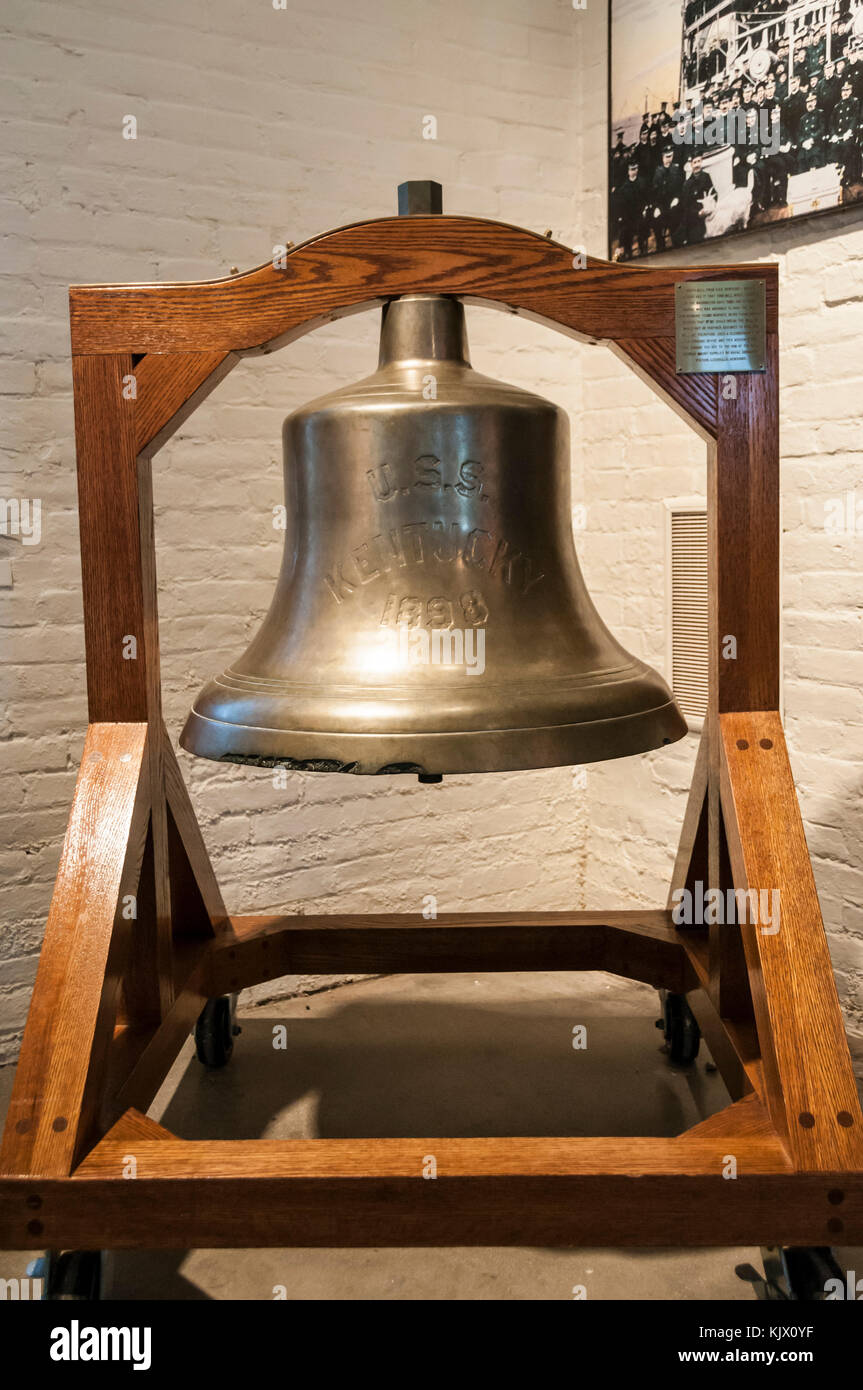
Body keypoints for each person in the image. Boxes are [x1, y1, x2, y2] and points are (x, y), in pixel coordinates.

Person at [613, 160, 650, 259]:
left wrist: (645, 208)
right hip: (629, 217)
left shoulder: (643, 182)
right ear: (628, 171)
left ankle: (643, 251)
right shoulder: (624, 188)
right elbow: (622, 206)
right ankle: (628, 253)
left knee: (642, 228)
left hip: (641, 214)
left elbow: (647, 198)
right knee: (625, 231)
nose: (634, 171)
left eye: (636, 169)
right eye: (632, 169)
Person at [830, 78, 862, 188]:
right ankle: (836, 179)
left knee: (848, 149)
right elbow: (832, 123)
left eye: (847, 90)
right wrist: (833, 134)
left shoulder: (855, 102)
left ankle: (847, 178)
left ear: (851, 91)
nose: (845, 93)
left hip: (851, 134)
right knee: (833, 151)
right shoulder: (837, 106)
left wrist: (849, 131)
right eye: (843, 90)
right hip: (839, 136)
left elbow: (855, 118)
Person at [651, 145, 685, 249]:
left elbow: (680, 188)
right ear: (662, 157)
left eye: (670, 156)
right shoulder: (658, 172)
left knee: (675, 216)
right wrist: (656, 207)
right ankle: (661, 247)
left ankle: (677, 243)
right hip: (661, 205)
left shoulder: (676, 170)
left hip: (673, 202)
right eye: (666, 157)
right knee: (656, 220)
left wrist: (677, 198)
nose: (668, 159)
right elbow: (654, 193)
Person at [683, 152, 716, 243]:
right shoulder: (687, 184)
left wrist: (711, 205)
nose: (697, 165)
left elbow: (714, 194)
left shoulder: (706, 177)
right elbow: (686, 206)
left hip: (709, 214)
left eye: (699, 161)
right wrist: (698, 213)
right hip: (696, 218)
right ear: (691, 165)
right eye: (695, 162)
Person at [797, 91, 826, 171]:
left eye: (811, 101)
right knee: (801, 158)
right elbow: (799, 133)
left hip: (816, 143)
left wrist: (811, 140)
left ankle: (814, 179)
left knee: (813, 156)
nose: (809, 104)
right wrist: (803, 142)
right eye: (807, 102)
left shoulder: (820, 114)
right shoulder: (803, 118)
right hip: (805, 145)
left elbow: (822, 129)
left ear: (815, 102)